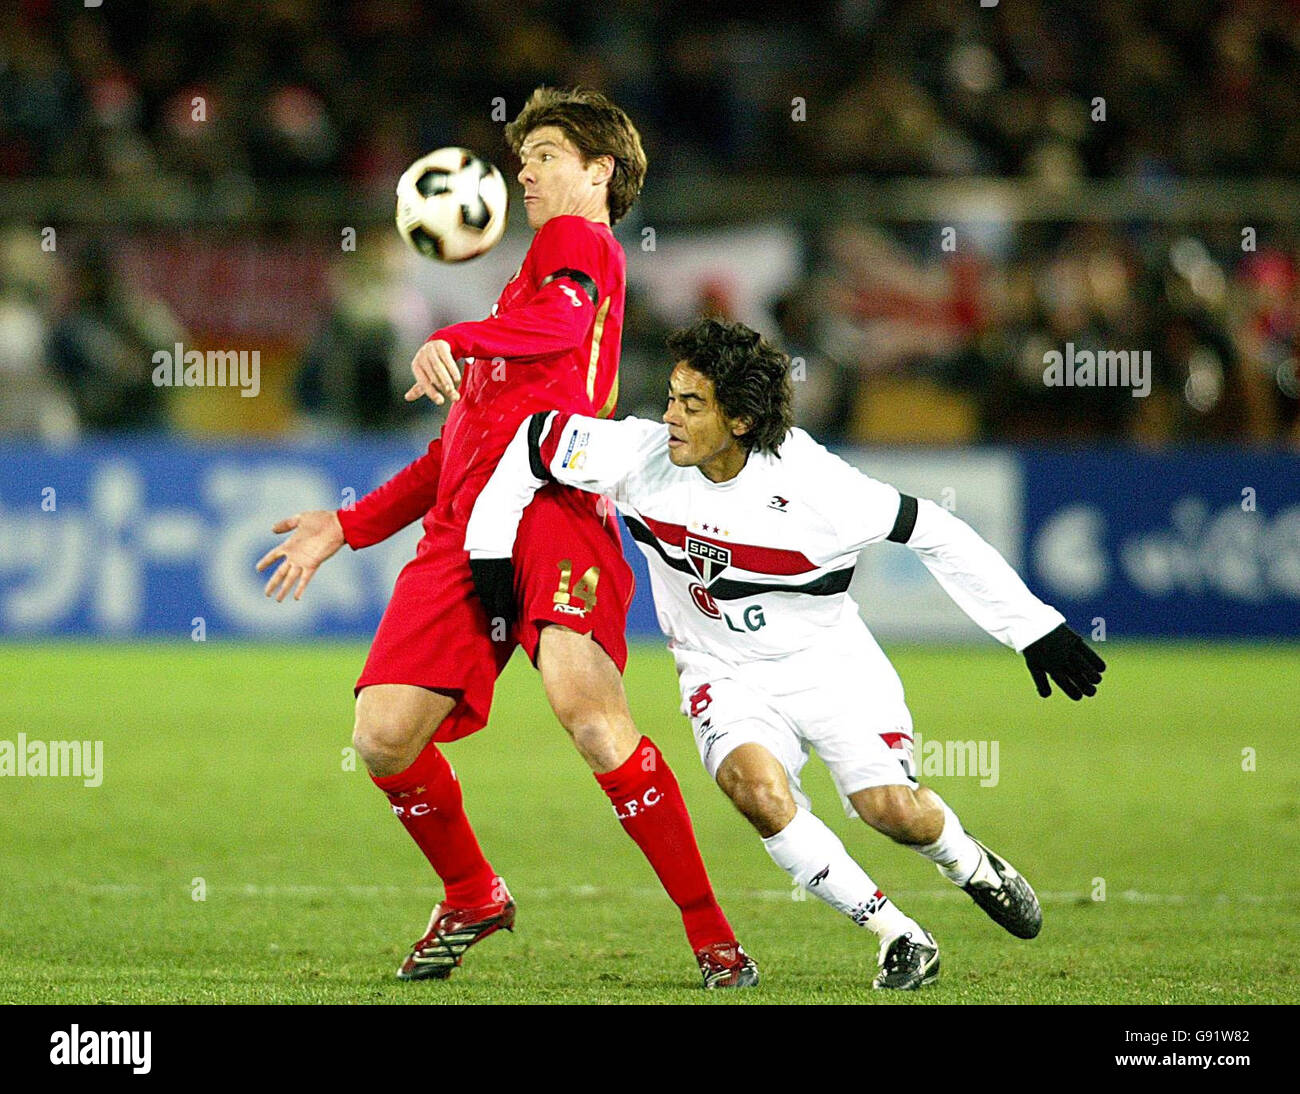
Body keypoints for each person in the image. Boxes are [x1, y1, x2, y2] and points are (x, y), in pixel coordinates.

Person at [256, 89, 757, 989]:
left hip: (551, 506)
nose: (524, 171)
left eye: (547, 155)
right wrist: (349, 524)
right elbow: (458, 446)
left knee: (589, 716)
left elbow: (563, 324)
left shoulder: (578, 245)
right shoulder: (523, 282)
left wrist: (455, 332)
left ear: (599, 171)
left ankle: (712, 936)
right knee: (382, 736)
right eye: (523, 158)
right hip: (464, 526)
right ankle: (472, 894)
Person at [465, 316, 1107, 990]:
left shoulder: (817, 488)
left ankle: (967, 861)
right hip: (720, 671)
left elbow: (938, 532)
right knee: (756, 792)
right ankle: (896, 933)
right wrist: (489, 554)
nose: (670, 417)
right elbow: (535, 443)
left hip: (829, 667)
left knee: (891, 811)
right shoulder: (642, 454)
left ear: (739, 420)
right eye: (672, 398)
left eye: (692, 404)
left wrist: (1031, 626)